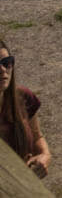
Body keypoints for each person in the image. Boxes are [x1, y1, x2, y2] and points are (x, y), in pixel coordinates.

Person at [0, 38, 49, 180]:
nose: (3, 70)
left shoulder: (23, 97)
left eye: (6, 62)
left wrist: (44, 155)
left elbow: (37, 137)